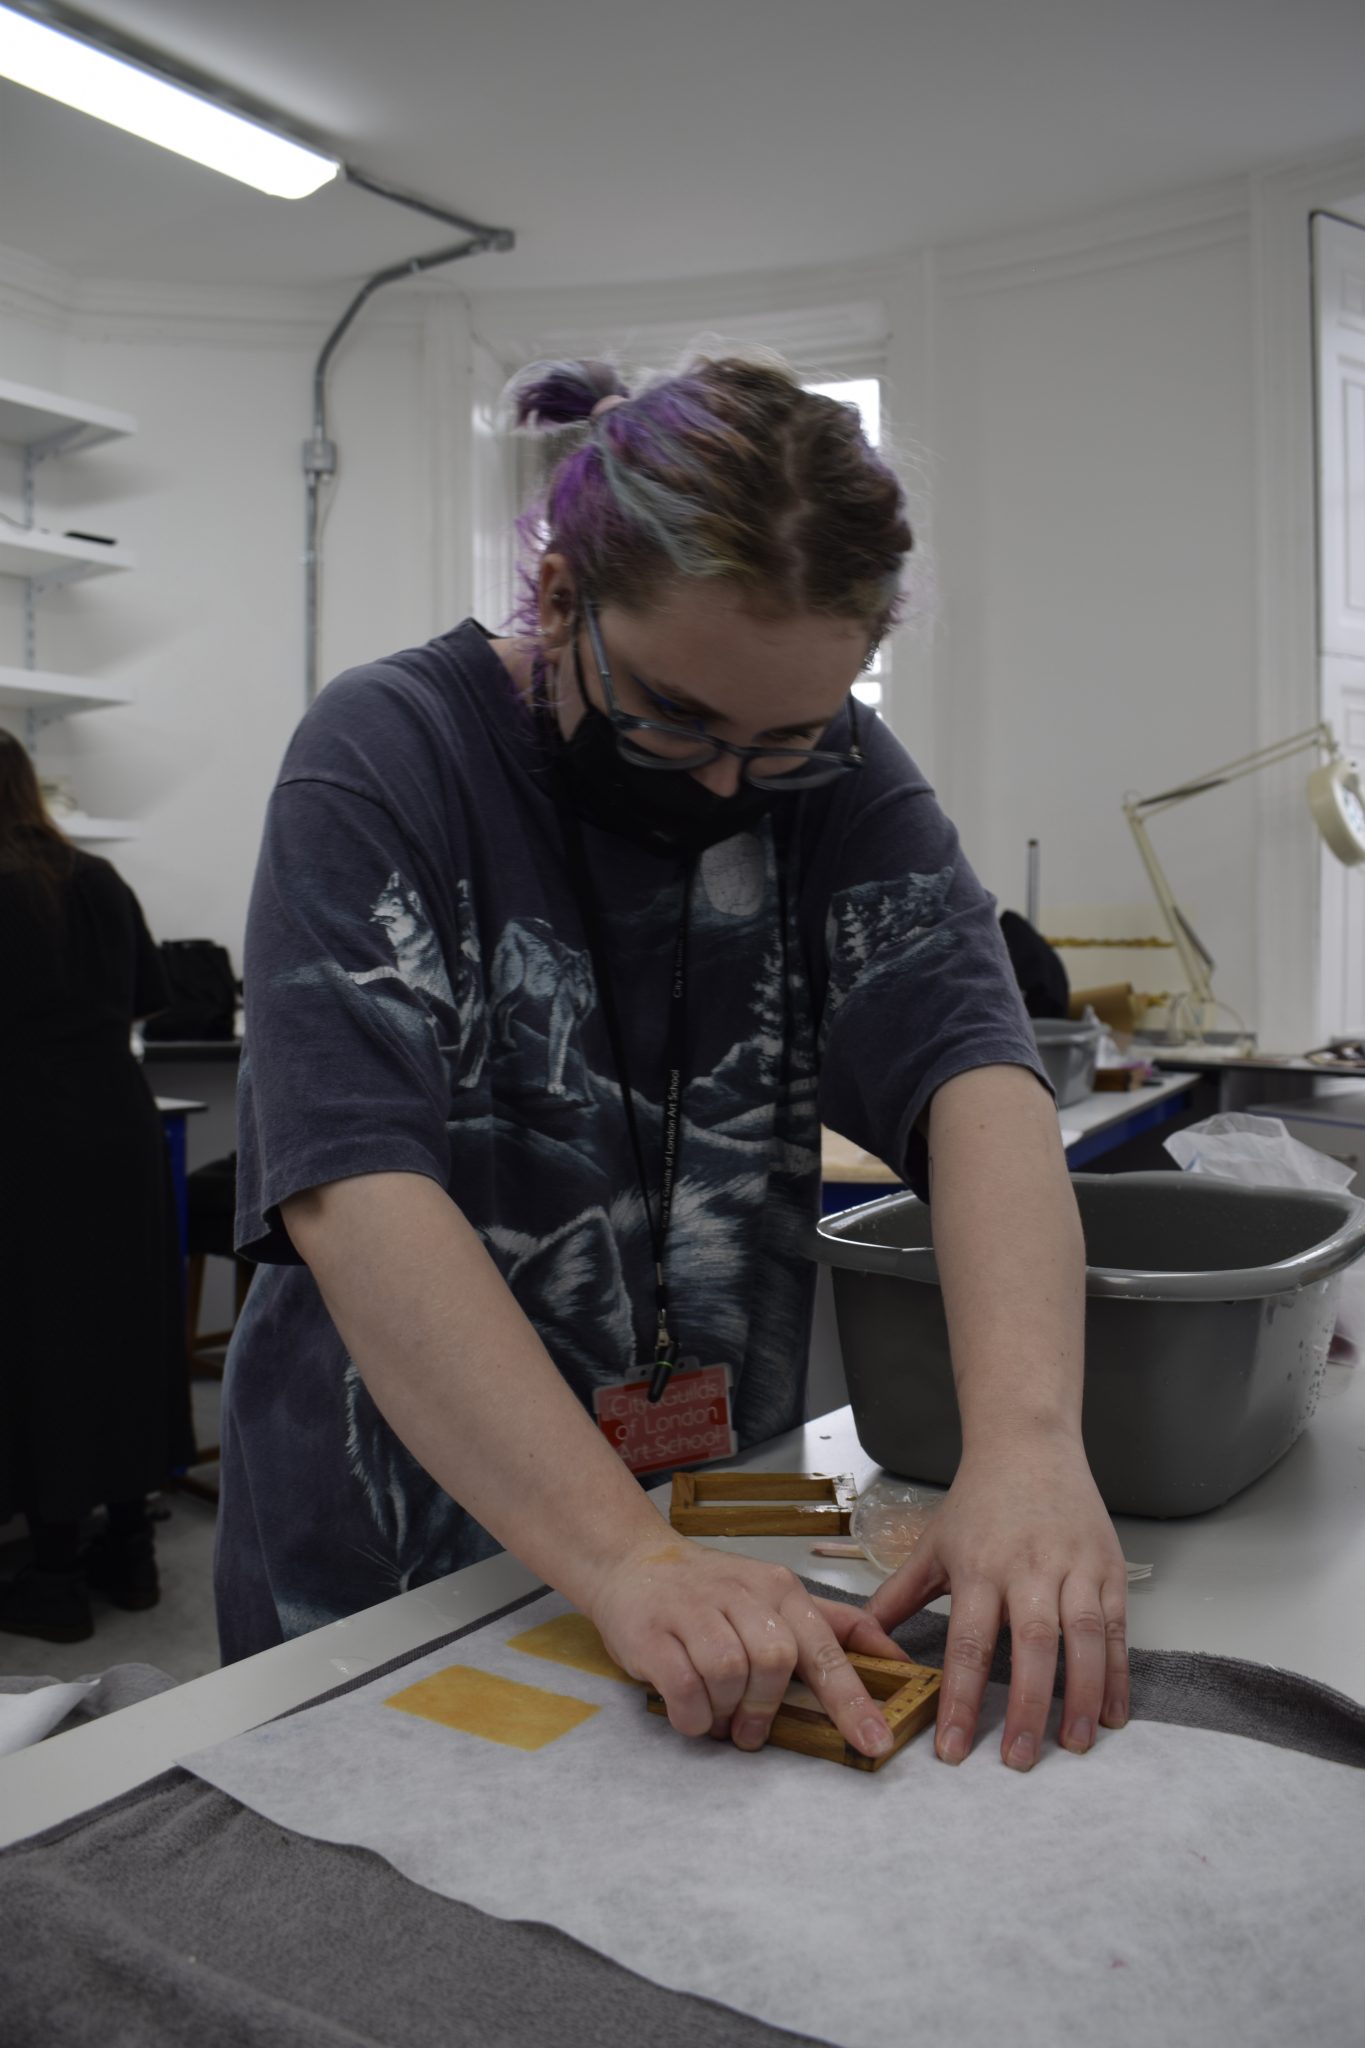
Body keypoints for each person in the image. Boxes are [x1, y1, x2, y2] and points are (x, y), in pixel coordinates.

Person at [218, 353, 1129, 1771]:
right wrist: (621, 1564)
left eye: (783, 744)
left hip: (715, 1522)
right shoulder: (385, 751)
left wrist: (1026, 1442)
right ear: (562, 595)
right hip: (404, 1539)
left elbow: (980, 1079)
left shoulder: (840, 776)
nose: (724, 787)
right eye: (674, 718)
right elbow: (355, 1188)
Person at [0, 732, 192, 1643]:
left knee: (38, 1348)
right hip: (119, 1128)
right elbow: (145, 998)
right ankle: (133, 1551)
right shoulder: (97, 880)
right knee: (122, 1333)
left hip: (23, 1135)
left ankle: (54, 1574)